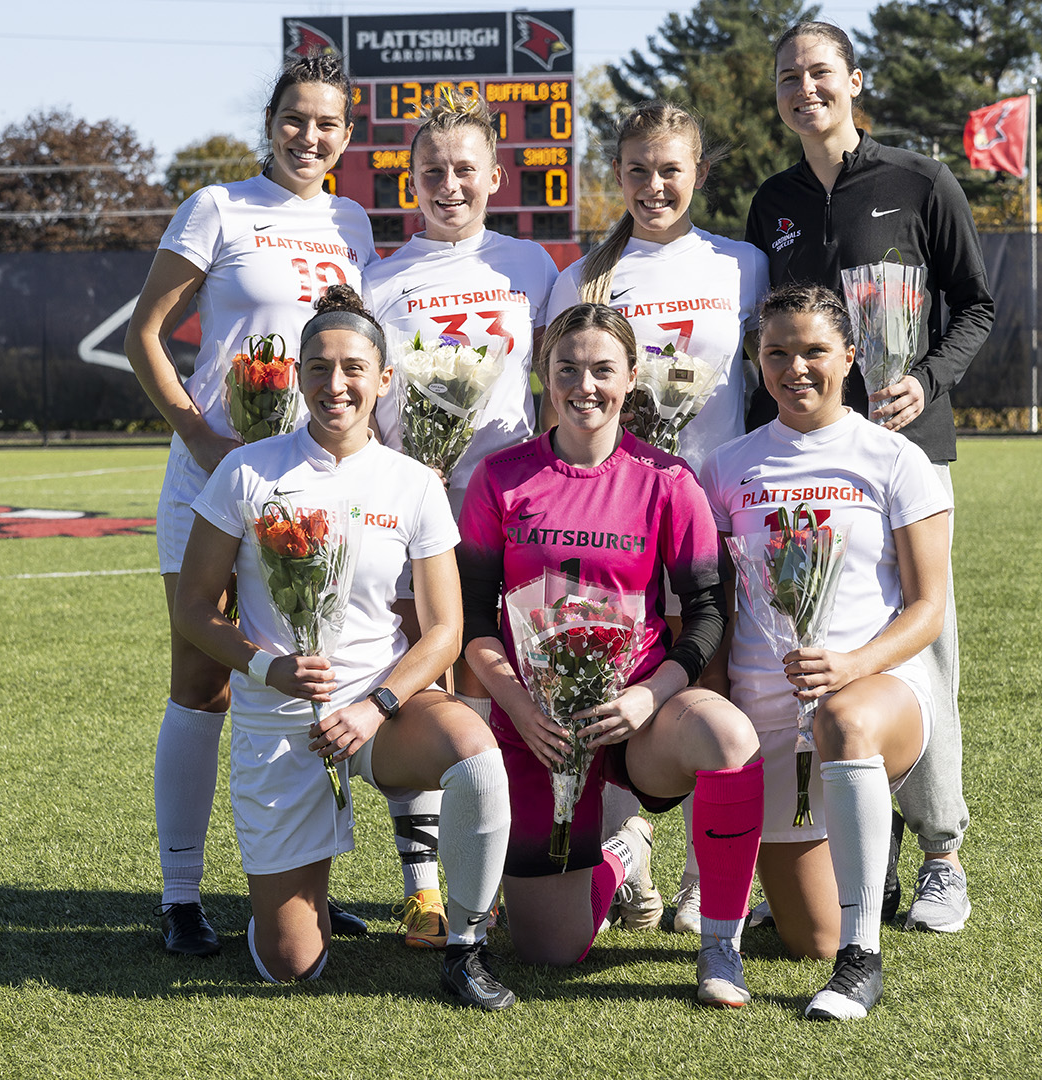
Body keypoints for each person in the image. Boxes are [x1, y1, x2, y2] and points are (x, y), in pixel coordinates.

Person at [172, 286, 516, 1009]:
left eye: (354, 368)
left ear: (384, 380)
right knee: (292, 966)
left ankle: (467, 949)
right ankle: (299, 899)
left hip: (383, 712)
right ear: (297, 376)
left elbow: (445, 630)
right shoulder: (247, 470)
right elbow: (194, 609)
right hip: (282, 719)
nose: (337, 384)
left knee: (477, 755)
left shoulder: (414, 483)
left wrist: (376, 703)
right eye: (320, 368)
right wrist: (268, 666)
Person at [124, 53, 378, 957]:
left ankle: (306, 888)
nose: (309, 136)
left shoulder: (352, 223)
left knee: (312, 671)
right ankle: (180, 896)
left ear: (346, 138)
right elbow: (144, 334)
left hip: (310, 492)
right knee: (203, 682)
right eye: (294, 118)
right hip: (216, 481)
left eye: (327, 123)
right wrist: (202, 438)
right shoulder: (218, 207)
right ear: (269, 124)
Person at [744, 21, 994, 931]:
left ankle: (942, 855)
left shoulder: (920, 181)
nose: (804, 89)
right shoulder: (771, 202)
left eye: (820, 73)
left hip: (904, 453)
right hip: (804, 469)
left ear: (854, 80)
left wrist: (927, 380)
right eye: (789, 77)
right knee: (812, 645)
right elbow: (766, 336)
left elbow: (976, 305)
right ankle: (848, 852)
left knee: (921, 644)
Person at [457, 302, 765, 1008]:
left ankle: (720, 948)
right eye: (567, 369)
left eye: (603, 369)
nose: (584, 386)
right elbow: (474, 622)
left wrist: (647, 697)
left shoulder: (669, 480)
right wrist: (522, 710)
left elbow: (708, 614)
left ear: (630, 378)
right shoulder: (500, 478)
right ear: (544, 374)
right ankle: (625, 852)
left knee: (727, 735)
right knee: (548, 950)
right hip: (538, 726)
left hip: (636, 721)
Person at [544, 100, 769, 934]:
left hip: (722, 516)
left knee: (714, 686)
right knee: (614, 683)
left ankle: (702, 881)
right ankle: (625, 850)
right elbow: (560, 401)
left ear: (698, 173)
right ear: (617, 173)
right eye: (636, 169)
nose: (653, 185)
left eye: (670, 169)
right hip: (619, 520)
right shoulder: (583, 278)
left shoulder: (743, 265)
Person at [699, 283, 952, 1020]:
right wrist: (716, 692)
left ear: (849, 356)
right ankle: (845, 879)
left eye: (814, 350)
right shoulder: (725, 468)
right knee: (809, 935)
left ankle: (861, 961)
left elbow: (928, 608)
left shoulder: (895, 458)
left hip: (874, 692)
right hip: (768, 713)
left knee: (845, 719)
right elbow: (718, 603)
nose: (796, 368)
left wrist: (852, 665)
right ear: (757, 360)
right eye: (777, 352)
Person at [363, 87, 561, 948]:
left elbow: (558, 387)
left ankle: (497, 873)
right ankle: (423, 888)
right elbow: (364, 405)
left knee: (500, 691)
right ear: (410, 181)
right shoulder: (380, 279)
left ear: (496, 176)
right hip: (413, 520)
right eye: (433, 172)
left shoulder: (533, 268)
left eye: (465, 170)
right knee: (425, 694)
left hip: (509, 519)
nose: (450, 186)